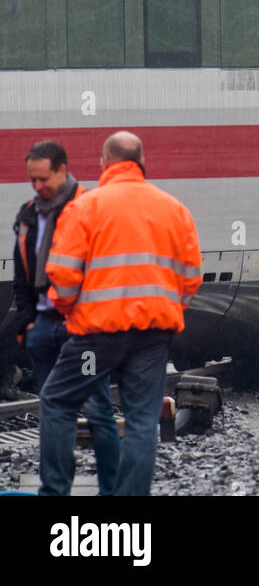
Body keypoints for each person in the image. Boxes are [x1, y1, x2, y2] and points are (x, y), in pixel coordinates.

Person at [39, 130, 202, 497]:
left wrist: (72, 313)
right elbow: (191, 277)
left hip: (95, 346)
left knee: (60, 400)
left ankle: (55, 491)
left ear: (105, 162)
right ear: (142, 163)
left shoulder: (85, 207)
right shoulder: (173, 209)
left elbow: (63, 277)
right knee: (143, 419)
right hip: (150, 340)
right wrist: (169, 310)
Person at [13, 140, 120, 496]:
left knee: (96, 406)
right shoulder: (30, 214)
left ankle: (112, 490)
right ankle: (55, 490)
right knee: (52, 409)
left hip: (84, 332)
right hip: (45, 329)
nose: (38, 186)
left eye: (44, 178)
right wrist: (28, 323)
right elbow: (22, 275)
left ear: (63, 170)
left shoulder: (90, 209)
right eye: (33, 180)